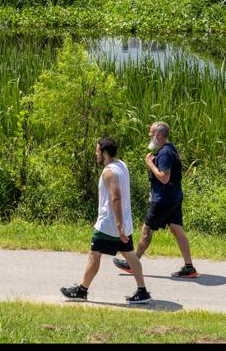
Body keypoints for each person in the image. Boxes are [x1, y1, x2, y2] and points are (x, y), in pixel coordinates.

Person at [60, 137, 150, 304]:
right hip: (124, 224)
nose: (96, 154)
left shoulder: (108, 172)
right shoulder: (121, 165)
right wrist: (122, 225)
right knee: (130, 255)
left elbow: (115, 197)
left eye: (97, 151)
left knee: (94, 255)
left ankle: (82, 290)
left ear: (105, 153)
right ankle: (142, 291)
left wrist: (118, 225)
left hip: (109, 225)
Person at [115, 121, 198, 279]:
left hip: (164, 200)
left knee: (147, 229)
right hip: (174, 198)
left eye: (151, 133)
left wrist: (149, 163)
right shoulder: (170, 148)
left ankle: (133, 263)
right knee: (177, 230)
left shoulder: (165, 153)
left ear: (159, 135)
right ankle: (189, 268)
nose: (149, 135)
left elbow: (164, 177)